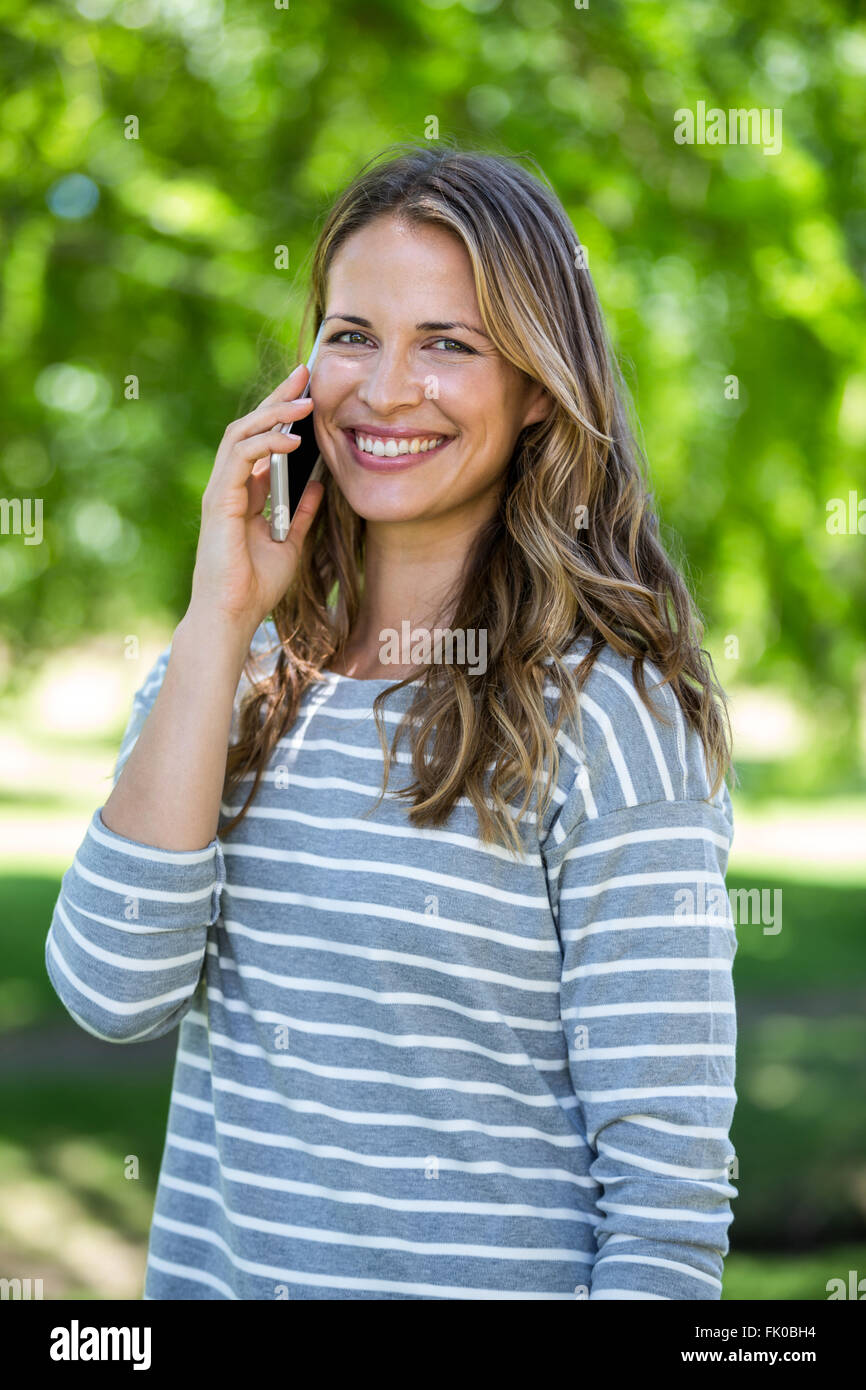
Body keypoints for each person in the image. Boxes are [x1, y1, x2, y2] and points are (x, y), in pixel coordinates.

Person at [45, 142, 738, 1301]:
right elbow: (113, 993)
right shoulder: (227, 671)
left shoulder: (610, 713)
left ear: (535, 390)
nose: (383, 388)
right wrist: (218, 616)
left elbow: (664, 1197)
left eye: (448, 344)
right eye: (352, 333)